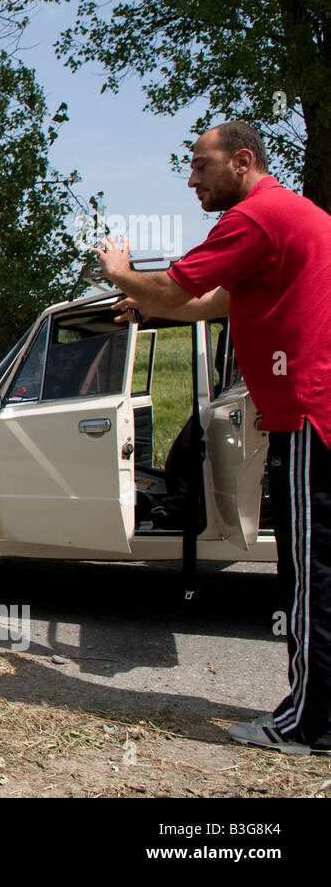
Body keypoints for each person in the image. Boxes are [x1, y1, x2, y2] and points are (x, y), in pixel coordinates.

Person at [96, 120, 331, 756]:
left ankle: (310, 724)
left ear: (242, 161)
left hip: (310, 413)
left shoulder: (254, 219)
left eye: (201, 166)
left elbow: (179, 286)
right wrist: (150, 307)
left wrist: (122, 274)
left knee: (312, 576)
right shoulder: (288, 215)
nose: (192, 179)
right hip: (310, 411)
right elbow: (210, 304)